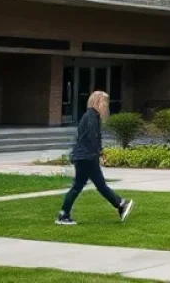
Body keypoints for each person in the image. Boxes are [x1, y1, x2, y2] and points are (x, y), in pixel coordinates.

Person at [56, 91, 134, 225]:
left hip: (84, 156)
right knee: (94, 186)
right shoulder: (92, 116)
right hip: (87, 157)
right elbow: (92, 138)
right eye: (105, 102)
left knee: (85, 186)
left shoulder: (90, 115)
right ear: (98, 102)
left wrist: (99, 151)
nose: (106, 105)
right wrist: (99, 151)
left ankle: (120, 205)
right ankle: (120, 205)